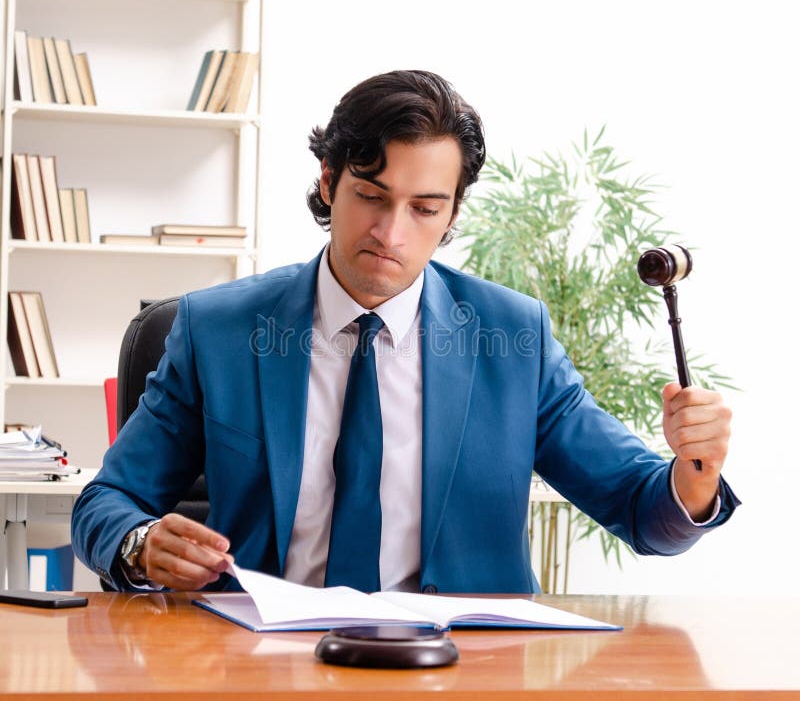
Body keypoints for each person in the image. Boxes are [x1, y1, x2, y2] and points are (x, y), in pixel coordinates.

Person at [71, 70, 739, 594]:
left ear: (451, 215)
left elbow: (643, 511)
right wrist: (139, 543)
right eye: (371, 195)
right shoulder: (216, 330)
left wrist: (693, 475)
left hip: (462, 666)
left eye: (424, 209)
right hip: (262, 658)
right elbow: (108, 502)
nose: (390, 234)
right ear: (329, 182)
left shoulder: (515, 338)